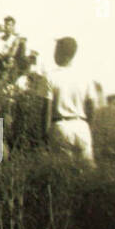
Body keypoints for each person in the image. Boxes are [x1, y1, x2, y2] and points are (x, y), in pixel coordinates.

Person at [43, 36, 98, 165]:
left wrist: (45, 136)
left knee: (63, 172)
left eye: (56, 50)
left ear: (62, 53)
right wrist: (88, 127)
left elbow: (47, 111)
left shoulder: (50, 77)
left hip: (60, 126)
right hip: (82, 126)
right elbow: (92, 107)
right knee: (88, 172)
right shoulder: (85, 76)